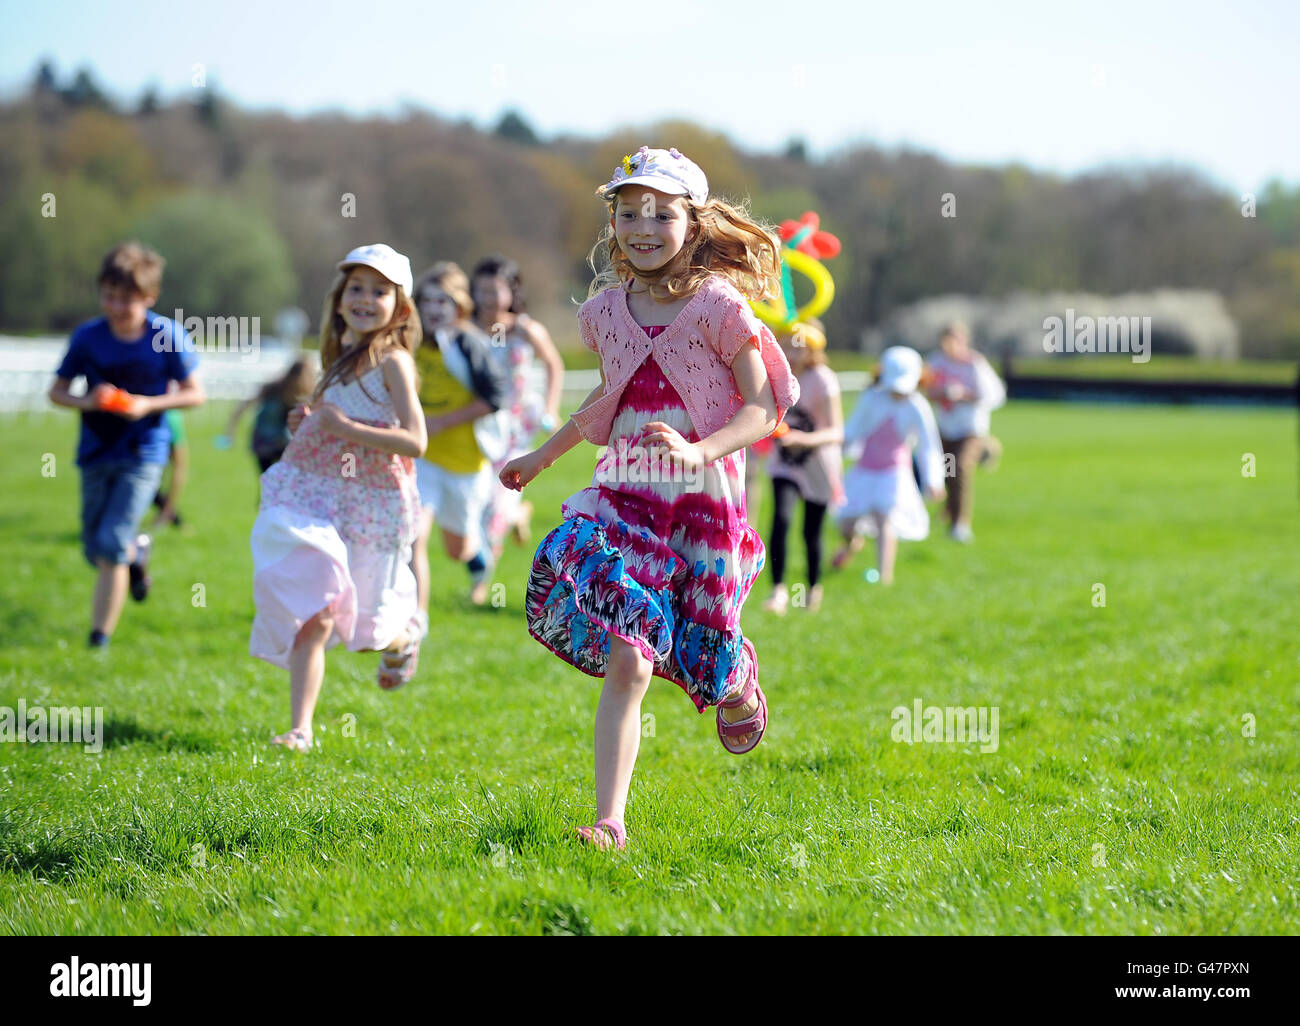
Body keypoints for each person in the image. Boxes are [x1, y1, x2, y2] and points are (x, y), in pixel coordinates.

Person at [500, 146, 799, 850]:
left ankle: (738, 683)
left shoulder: (720, 308)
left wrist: (699, 449)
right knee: (631, 657)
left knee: (706, 656)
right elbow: (612, 396)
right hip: (625, 501)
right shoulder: (604, 312)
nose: (642, 226)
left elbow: (763, 408)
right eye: (628, 212)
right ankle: (611, 820)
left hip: (702, 508)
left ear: (692, 224)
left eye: (661, 214)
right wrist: (544, 455)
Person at [249, 245, 426, 752]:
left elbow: (416, 441)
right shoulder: (336, 356)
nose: (365, 299)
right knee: (316, 609)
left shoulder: (393, 362)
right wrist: (305, 423)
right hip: (318, 494)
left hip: (371, 501)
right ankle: (301, 729)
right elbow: (327, 418)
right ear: (340, 297)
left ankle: (402, 638)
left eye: (379, 291)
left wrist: (345, 427)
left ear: (400, 306)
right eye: (356, 288)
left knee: (368, 630)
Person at [48, 241, 205, 648]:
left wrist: (146, 405)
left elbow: (194, 394)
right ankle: (138, 554)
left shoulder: (165, 335)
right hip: (95, 450)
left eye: (127, 300)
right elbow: (57, 391)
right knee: (94, 546)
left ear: (149, 298)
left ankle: (99, 638)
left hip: (144, 450)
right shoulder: (88, 338)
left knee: (112, 543)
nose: (116, 307)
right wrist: (87, 401)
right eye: (109, 297)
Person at [411, 262, 510, 610]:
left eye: (443, 302)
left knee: (458, 551)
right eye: (427, 301)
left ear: (459, 307)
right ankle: (415, 620)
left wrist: (443, 421)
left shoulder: (469, 343)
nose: (434, 309)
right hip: (423, 459)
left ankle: (479, 555)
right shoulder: (411, 345)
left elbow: (495, 398)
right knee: (413, 538)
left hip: (466, 463)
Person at [470, 257, 566, 578]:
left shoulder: (526, 329)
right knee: (480, 495)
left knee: (498, 498)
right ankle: (519, 515)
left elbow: (554, 364)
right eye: (481, 291)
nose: (487, 298)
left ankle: (481, 581)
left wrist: (550, 409)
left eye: (494, 290)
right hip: (481, 425)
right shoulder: (468, 329)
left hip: (517, 425)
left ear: (511, 292)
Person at [833, 346, 944, 585]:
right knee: (846, 521)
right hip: (864, 470)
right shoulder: (871, 398)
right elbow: (853, 429)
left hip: (893, 474)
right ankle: (851, 543)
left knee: (885, 518)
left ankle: (885, 576)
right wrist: (835, 455)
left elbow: (929, 445)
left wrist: (934, 480)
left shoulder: (917, 406)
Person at [761, 319, 844, 615]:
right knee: (781, 521)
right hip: (785, 463)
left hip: (818, 464)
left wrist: (804, 440)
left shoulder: (823, 379)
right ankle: (778, 592)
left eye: (801, 348)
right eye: (787, 346)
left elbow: (837, 432)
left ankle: (812, 588)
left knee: (811, 531)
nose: (793, 354)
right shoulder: (776, 376)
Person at [924, 321, 1005, 542]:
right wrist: (941, 394)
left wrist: (964, 395)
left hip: (970, 429)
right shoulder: (936, 362)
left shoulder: (975, 364)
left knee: (959, 468)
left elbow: (994, 396)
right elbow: (926, 390)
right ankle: (950, 510)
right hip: (945, 429)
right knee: (949, 472)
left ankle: (961, 524)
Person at [220, 358, 318, 473]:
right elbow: (243, 407)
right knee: (269, 480)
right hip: (265, 441)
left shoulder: (309, 394)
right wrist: (230, 432)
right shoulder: (272, 388)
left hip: (285, 443)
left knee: (286, 481)